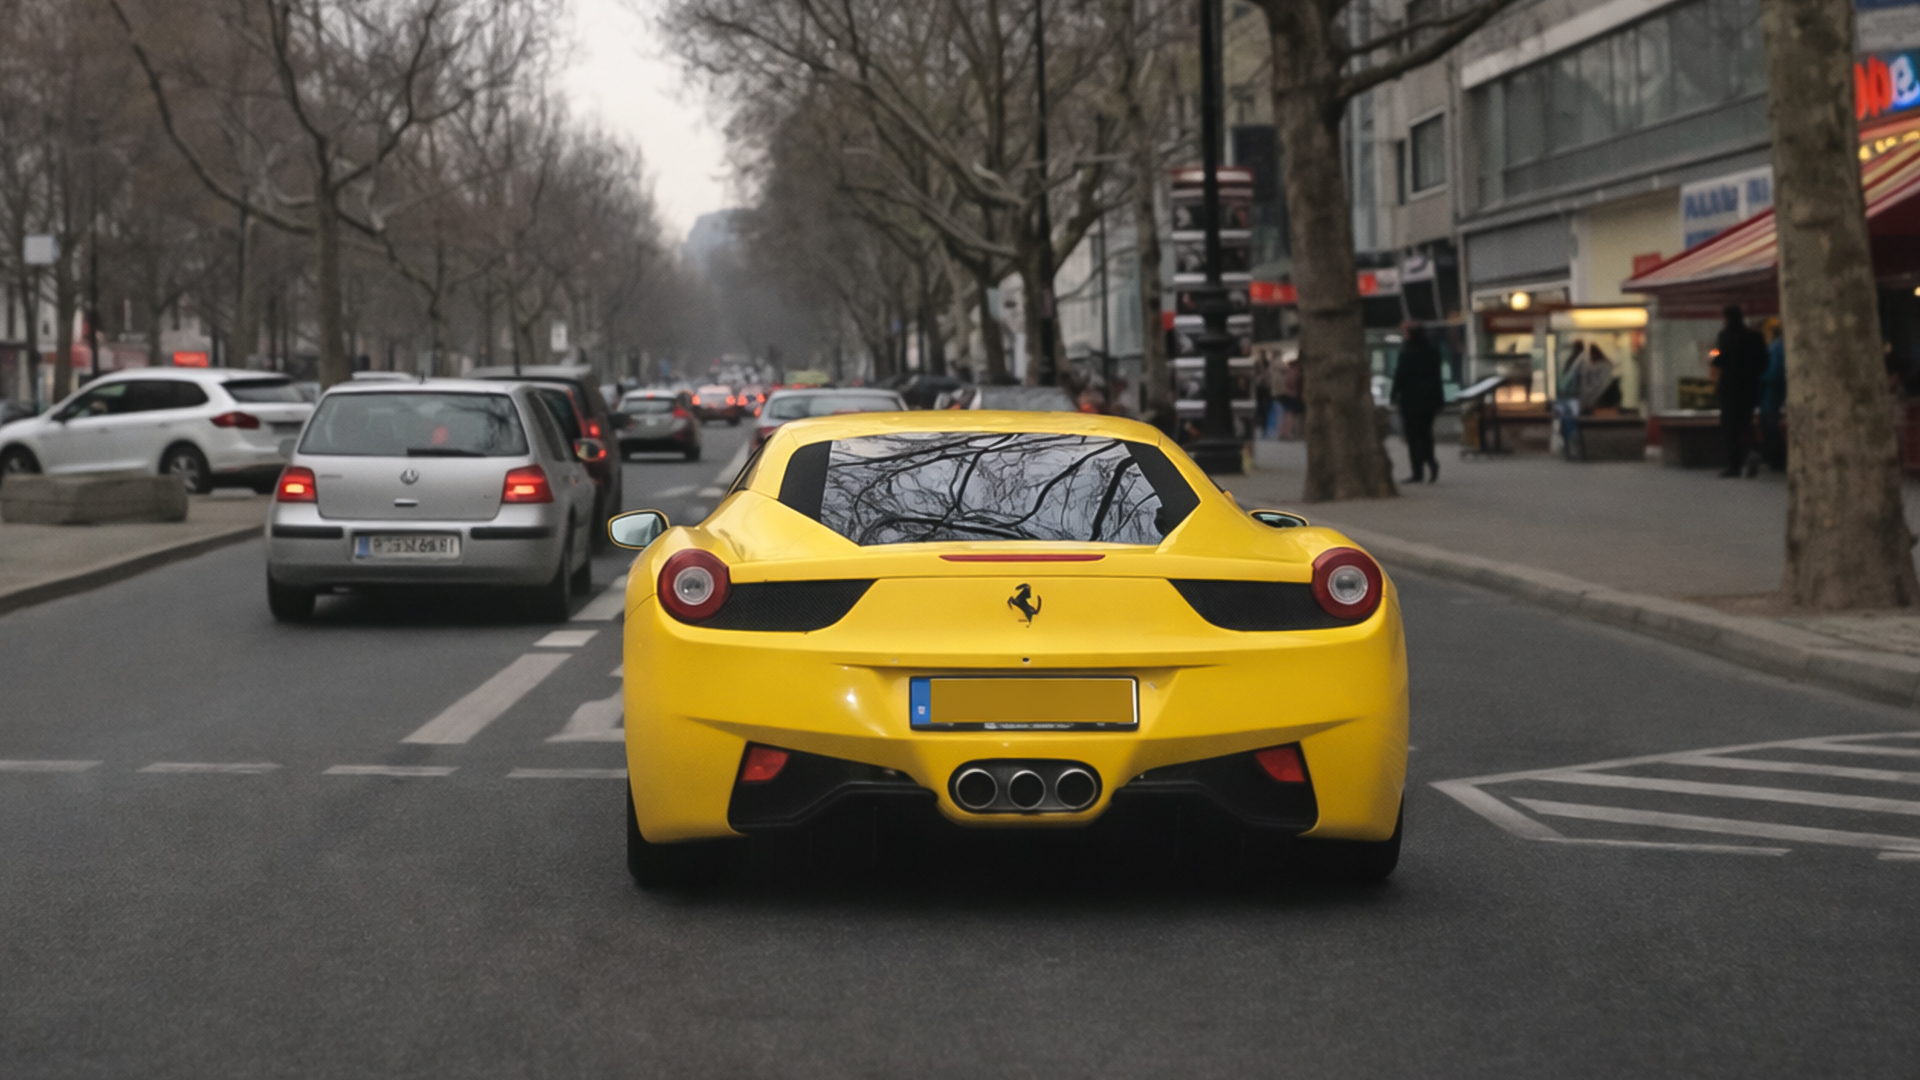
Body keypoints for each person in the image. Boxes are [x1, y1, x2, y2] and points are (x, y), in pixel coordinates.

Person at [1711, 305, 1768, 478]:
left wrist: (1715, 358)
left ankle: (1734, 465)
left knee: (1730, 426)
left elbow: (1718, 360)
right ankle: (1753, 449)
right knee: (1746, 422)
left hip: (1729, 386)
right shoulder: (1755, 336)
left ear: (1727, 318)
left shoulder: (1724, 336)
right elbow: (1764, 360)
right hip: (1749, 385)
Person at [1390, 324, 1445, 483]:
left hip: (1411, 400)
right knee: (1426, 434)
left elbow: (1400, 375)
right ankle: (1431, 461)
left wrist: (1393, 396)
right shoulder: (1432, 351)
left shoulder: (1407, 352)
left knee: (1413, 436)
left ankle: (1418, 471)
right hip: (1430, 400)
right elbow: (1437, 376)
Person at [1758, 318, 1787, 474]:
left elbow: (1773, 372)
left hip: (1771, 394)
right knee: (1770, 424)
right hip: (1775, 393)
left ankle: (1776, 458)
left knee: (1769, 425)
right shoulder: (1778, 348)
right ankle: (1775, 458)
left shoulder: (1775, 348)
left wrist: (1758, 377)